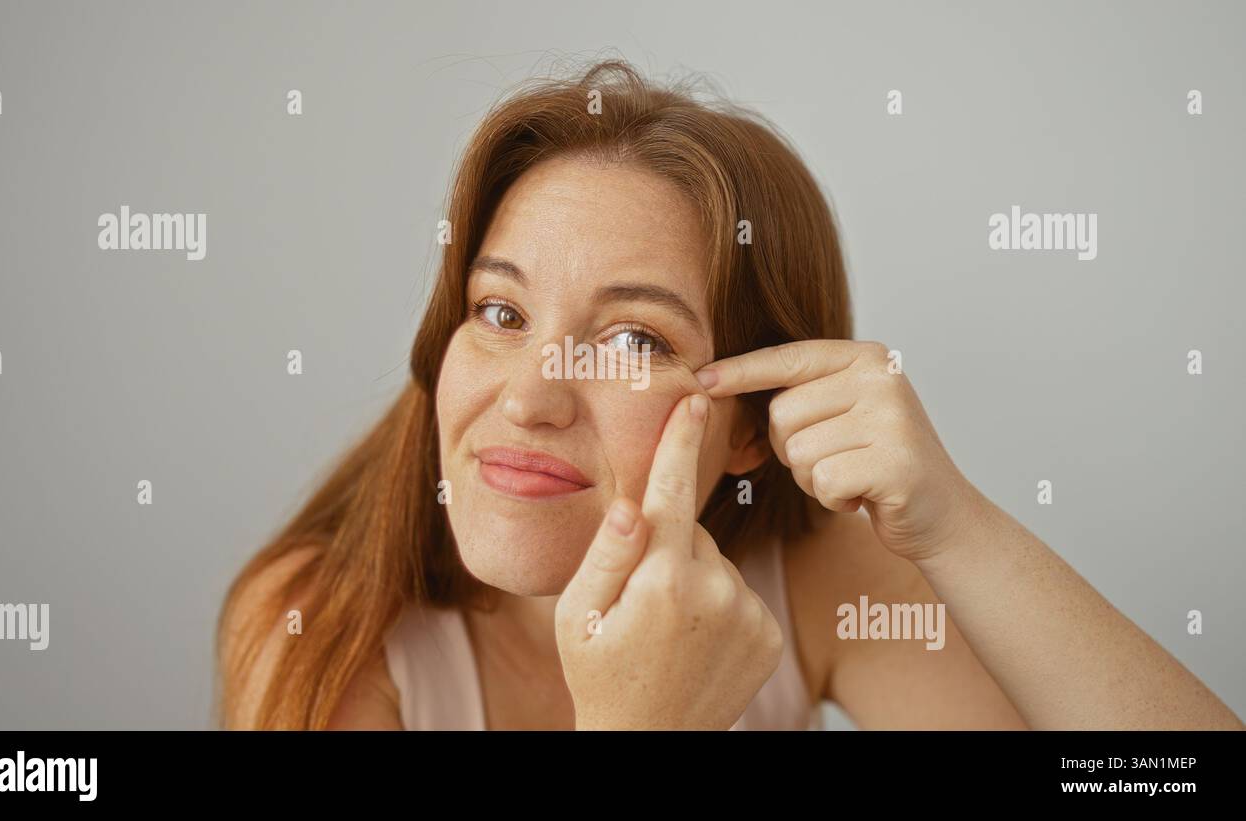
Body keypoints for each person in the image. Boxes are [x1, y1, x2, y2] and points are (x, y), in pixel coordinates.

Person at [217, 60, 1243, 731]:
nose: (530, 397)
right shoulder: (321, 626)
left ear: (752, 426)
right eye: (499, 312)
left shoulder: (812, 573)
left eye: (630, 338)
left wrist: (957, 526)